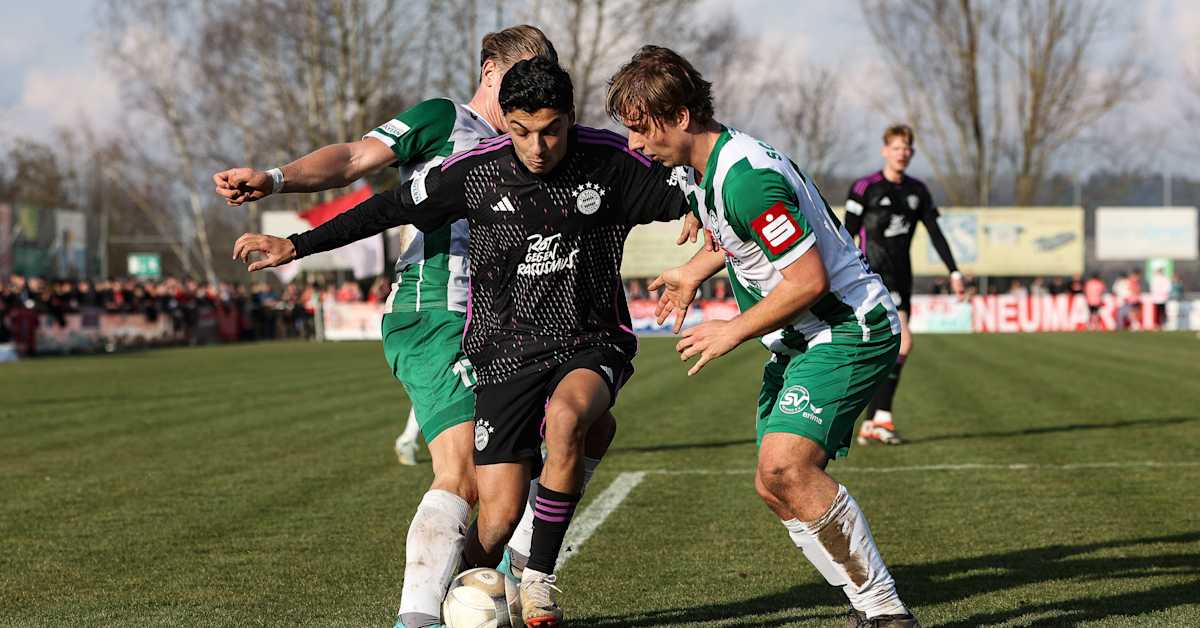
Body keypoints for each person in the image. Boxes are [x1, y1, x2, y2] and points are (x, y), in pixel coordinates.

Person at [232, 56, 692, 627]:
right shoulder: (475, 170)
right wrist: (296, 246)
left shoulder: (610, 162)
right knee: (496, 515)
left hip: (588, 340)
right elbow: (387, 207)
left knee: (573, 418)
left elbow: (710, 185)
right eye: (522, 131)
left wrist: (701, 243)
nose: (538, 147)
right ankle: (458, 600)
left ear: (571, 118)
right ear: (507, 121)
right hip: (503, 353)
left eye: (551, 130)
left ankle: (538, 583)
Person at [608, 45, 919, 628]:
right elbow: (732, 239)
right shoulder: (701, 167)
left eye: (640, 128)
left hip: (846, 326)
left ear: (680, 117)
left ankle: (887, 614)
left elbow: (808, 280)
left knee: (787, 469)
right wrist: (693, 271)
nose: (634, 143)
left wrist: (731, 330)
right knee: (773, 485)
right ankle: (868, 608)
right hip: (802, 336)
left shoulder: (747, 178)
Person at [842, 124, 962, 446]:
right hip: (872, 275)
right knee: (902, 342)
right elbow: (845, 234)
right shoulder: (866, 187)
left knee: (886, 346)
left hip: (902, 276)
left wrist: (954, 271)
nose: (902, 153)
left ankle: (873, 422)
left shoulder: (917, 191)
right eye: (896, 147)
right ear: (885, 150)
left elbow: (935, 233)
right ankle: (880, 418)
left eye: (907, 148)